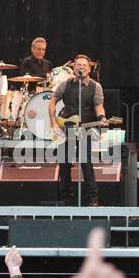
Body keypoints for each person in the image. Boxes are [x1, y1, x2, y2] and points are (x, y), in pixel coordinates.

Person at [51, 55, 107, 207]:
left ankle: (93, 198)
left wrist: (101, 117)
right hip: (66, 127)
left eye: (84, 65)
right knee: (65, 163)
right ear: (73, 68)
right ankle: (66, 198)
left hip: (85, 127)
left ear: (89, 69)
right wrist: (53, 123)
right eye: (78, 65)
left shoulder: (95, 86)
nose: (81, 67)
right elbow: (53, 101)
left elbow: (98, 105)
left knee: (86, 162)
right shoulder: (65, 84)